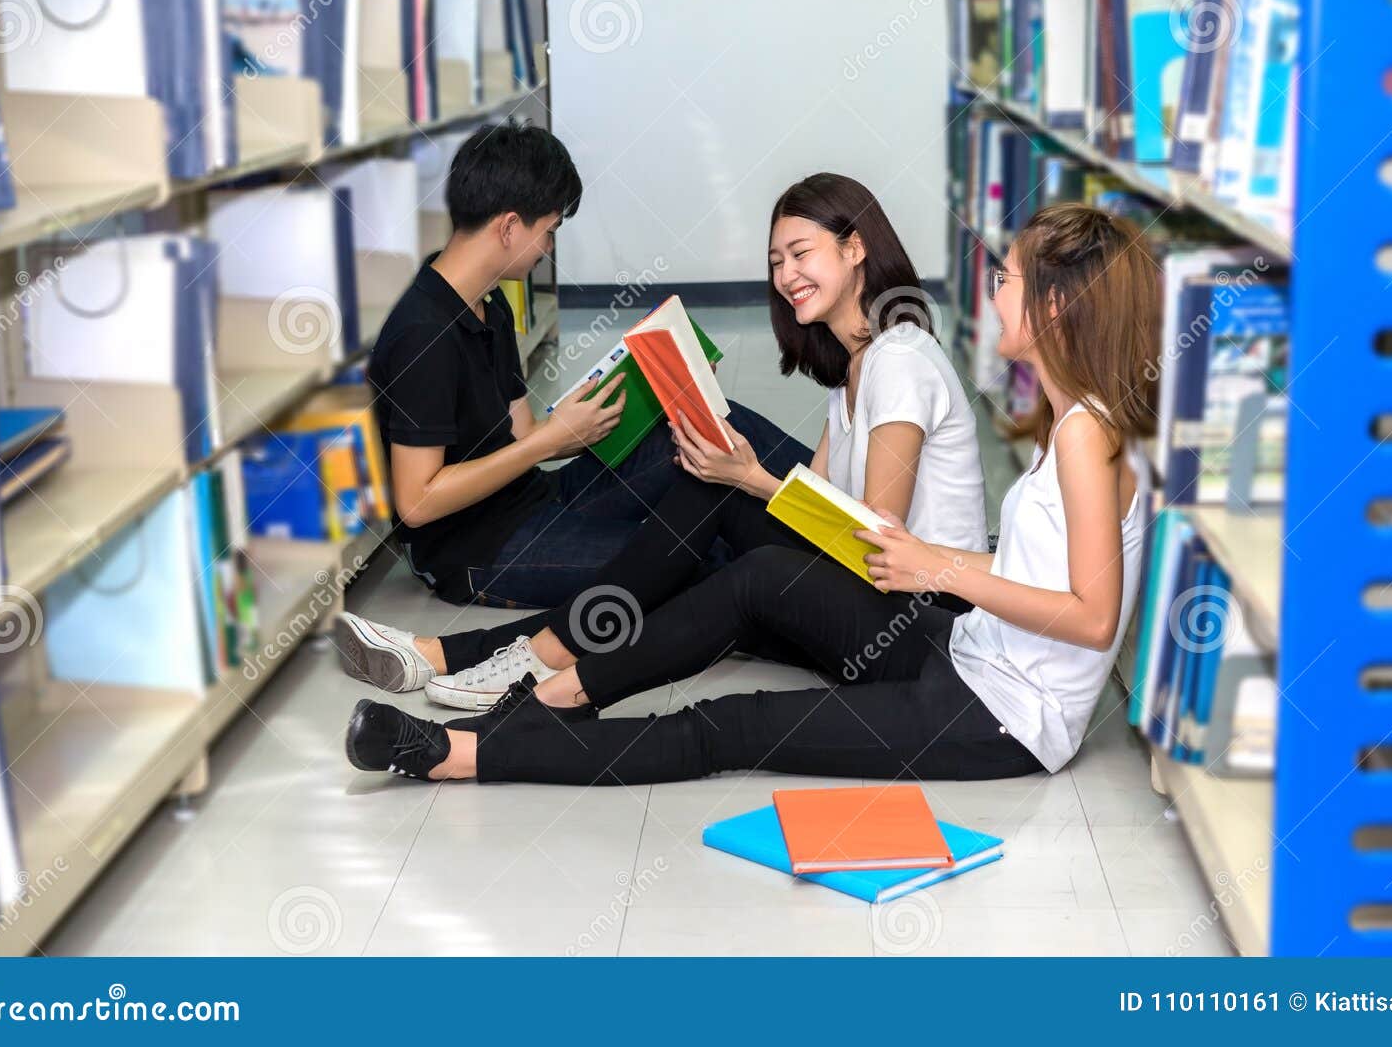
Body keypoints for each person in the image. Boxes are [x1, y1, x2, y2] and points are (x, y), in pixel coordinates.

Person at [343, 202, 1158, 787]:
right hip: (972, 652)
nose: (994, 292)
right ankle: (535, 698)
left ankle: (465, 749)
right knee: (753, 573)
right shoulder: (1068, 422)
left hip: (1005, 716)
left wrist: (936, 567)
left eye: (1009, 280)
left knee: (731, 725)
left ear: (1057, 306)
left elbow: (1089, 616)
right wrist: (940, 564)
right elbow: (1032, 570)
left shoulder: (1084, 433)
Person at [337, 172, 988, 710]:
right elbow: (815, 502)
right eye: (775, 261)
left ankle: (521, 661)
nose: (786, 275)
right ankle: (506, 657)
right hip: (877, 600)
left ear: (854, 248)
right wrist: (743, 475)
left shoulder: (897, 361)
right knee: (702, 514)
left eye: (801, 253)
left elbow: (879, 541)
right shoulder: (852, 366)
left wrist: (751, 478)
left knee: (712, 510)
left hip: (914, 618)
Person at [362, 121, 811, 632]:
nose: (547, 248)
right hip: (477, 551)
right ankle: (835, 597)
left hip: (533, 498)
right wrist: (548, 441)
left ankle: (845, 514)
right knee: (692, 556)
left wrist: (634, 400)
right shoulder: (424, 333)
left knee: (715, 426)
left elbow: (526, 436)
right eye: (548, 231)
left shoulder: (489, 307)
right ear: (510, 227)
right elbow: (418, 503)